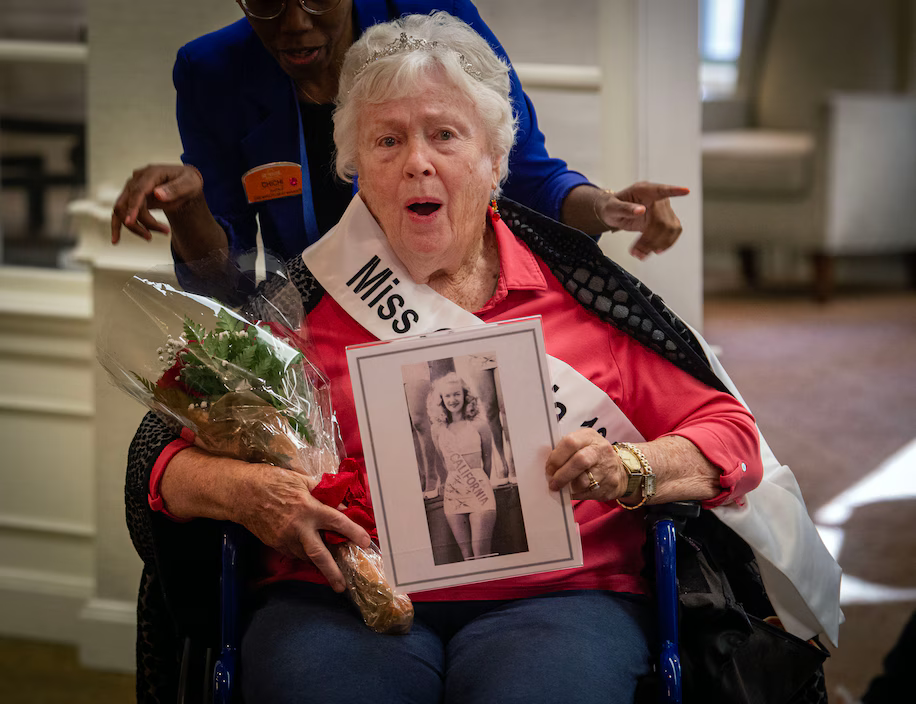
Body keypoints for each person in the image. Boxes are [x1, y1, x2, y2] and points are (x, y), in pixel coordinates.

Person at [124, 12, 840, 704]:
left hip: (562, 599)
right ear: (354, 169)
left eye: (445, 135)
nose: (418, 163)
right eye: (387, 141)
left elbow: (730, 436)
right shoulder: (299, 306)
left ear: (495, 162)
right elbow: (160, 456)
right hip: (342, 596)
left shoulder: (583, 294)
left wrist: (631, 469)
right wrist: (251, 495)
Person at [109, 0, 690, 291]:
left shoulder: (430, 16)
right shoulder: (213, 72)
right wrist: (189, 209)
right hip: (323, 326)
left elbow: (527, 175)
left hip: (455, 296)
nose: (293, 24)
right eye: (265, 0)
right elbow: (227, 284)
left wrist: (610, 208)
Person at [427, 372, 497, 560]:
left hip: (479, 489)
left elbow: (488, 461)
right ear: (441, 399)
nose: (452, 399)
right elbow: (443, 462)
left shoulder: (480, 425)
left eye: (456, 394)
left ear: (465, 395)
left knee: (482, 554)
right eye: (447, 395)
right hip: (453, 492)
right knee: (466, 556)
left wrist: (481, 483)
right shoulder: (438, 430)